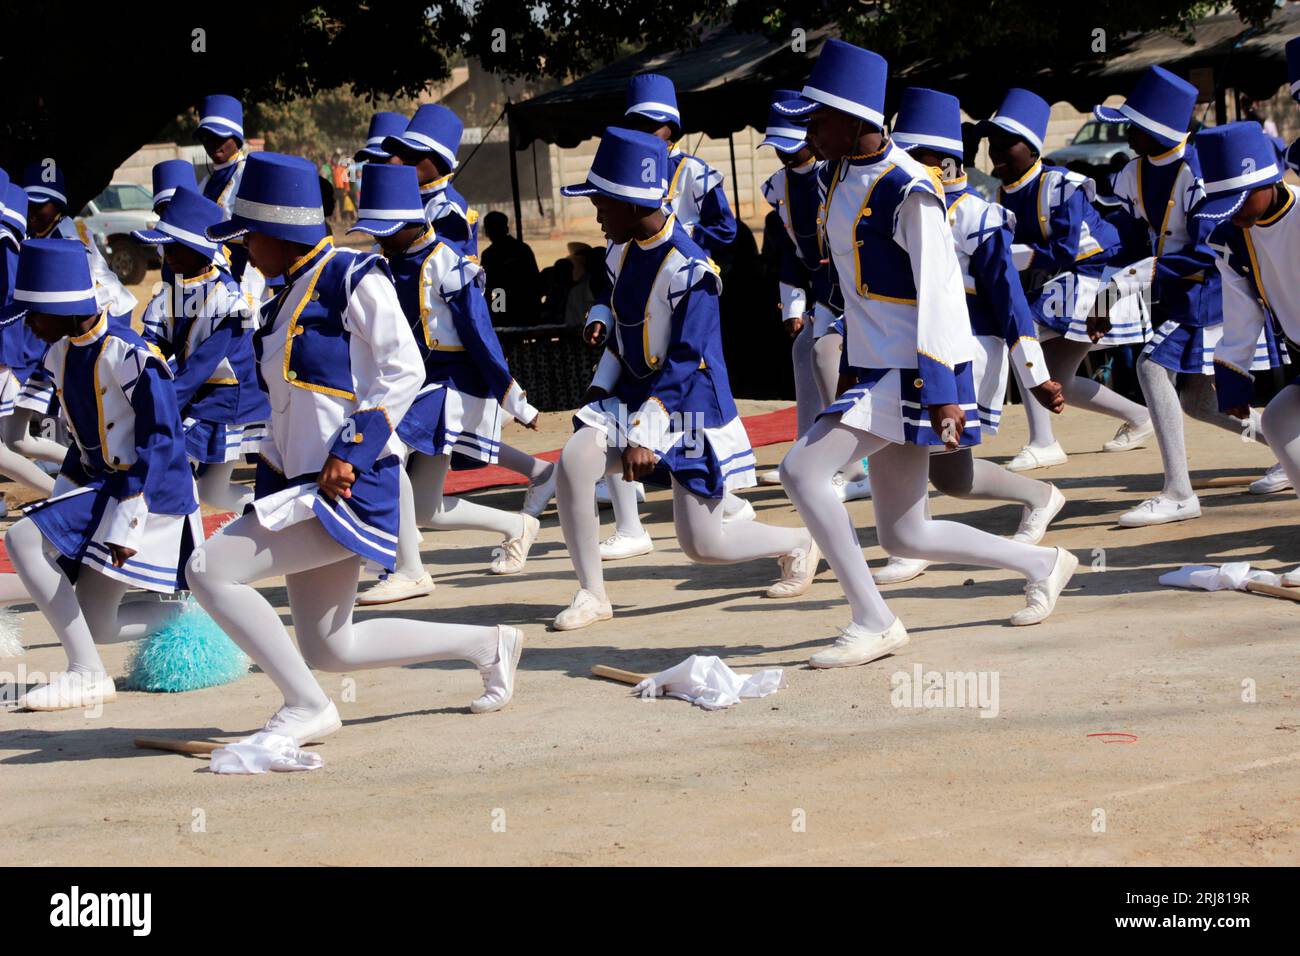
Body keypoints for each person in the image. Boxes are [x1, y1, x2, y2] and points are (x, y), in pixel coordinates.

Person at [184, 153, 524, 744]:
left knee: (208, 570)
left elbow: (403, 369)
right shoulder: (280, 294)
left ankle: (306, 706)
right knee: (332, 646)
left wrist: (353, 449)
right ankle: (488, 644)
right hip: (300, 483)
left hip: (345, 485)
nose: (241, 249)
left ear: (277, 233)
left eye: (247, 237)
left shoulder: (352, 275)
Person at [775, 41, 1077, 668]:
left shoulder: (910, 189)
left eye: (818, 117)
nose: (809, 130)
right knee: (905, 533)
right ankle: (1045, 561)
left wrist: (947, 392)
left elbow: (942, 294)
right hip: (873, 365)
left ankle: (874, 618)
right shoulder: (833, 175)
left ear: (857, 118)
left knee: (802, 470)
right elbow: (821, 259)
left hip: (909, 370)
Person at [550, 127, 820, 631]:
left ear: (632, 205)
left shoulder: (693, 269)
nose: (596, 214)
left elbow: (685, 359)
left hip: (687, 407)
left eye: (602, 203)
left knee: (703, 545)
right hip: (632, 395)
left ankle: (798, 542)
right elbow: (623, 317)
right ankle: (593, 592)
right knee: (574, 461)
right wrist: (599, 383)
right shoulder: (620, 250)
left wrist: (645, 435)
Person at [870, 86, 1068, 583]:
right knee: (952, 476)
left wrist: (1036, 374)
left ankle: (912, 539)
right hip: (908, 349)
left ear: (946, 159)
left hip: (964, 353)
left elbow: (1009, 300)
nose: (903, 162)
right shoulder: (902, 202)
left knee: (921, 449)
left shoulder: (980, 216)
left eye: (915, 154)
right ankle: (1039, 496)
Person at [2, 239, 200, 711]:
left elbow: (163, 442)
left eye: (35, 312)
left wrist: (127, 518)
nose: (28, 323)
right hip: (102, 488)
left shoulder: (132, 357)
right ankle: (197, 617)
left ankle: (87, 674)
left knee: (23, 539)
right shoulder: (60, 353)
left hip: (146, 493)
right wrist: (63, 495)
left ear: (67, 307)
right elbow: (81, 443)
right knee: (94, 624)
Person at [1092, 67, 1282, 527]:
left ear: (1155, 130)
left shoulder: (1195, 171)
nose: (1126, 132)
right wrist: (1111, 287)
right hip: (1173, 291)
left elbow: (1204, 253)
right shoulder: (1131, 172)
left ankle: (1179, 492)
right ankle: (1287, 446)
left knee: (1150, 365)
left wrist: (1134, 280)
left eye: (1133, 125)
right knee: (1197, 402)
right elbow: (1132, 242)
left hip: (1211, 290)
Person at [348, 165, 543, 605]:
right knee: (426, 508)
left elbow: (480, 334)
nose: (378, 239)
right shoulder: (383, 265)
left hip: (455, 385)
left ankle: (408, 568)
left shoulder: (450, 265)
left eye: (385, 230)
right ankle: (517, 527)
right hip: (418, 387)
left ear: (410, 222)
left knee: (382, 447)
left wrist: (515, 398)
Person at [385, 105, 556, 519]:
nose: (396, 163)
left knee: (391, 446)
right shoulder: (410, 203)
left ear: (437, 161)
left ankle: (404, 566)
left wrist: (511, 394)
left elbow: (464, 308)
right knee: (431, 484)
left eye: (409, 155)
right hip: (420, 358)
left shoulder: (448, 215)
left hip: (448, 361)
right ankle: (526, 505)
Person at [976, 89, 1154, 473]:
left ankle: (1044, 441)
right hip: (1066, 281)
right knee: (1058, 380)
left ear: (1031, 146)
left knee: (1021, 339)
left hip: (1098, 279)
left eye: (1007, 144)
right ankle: (1141, 417)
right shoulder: (1002, 193)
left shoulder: (1061, 184)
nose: (996, 154)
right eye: (993, 144)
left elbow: (1064, 250)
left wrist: (1016, 257)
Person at [1196, 122, 1300, 583]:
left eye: (1240, 200)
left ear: (1269, 180)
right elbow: (1242, 310)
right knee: (1278, 421)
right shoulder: (1234, 236)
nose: (1233, 214)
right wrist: (1234, 373)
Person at [757, 90, 870, 501]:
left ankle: (855, 466)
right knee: (805, 353)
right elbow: (790, 248)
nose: (785, 156)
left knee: (829, 363)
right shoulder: (778, 186)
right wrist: (793, 303)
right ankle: (809, 447)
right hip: (819, 288)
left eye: (792, 147)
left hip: (848, 285)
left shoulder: (834, 174)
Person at [132, 187, 270, 511]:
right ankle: (267, 516)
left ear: (200, 250)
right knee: (209, 490)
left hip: (228, 403)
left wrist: (157, 405)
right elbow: (150, 345)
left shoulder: (229, 302)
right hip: (199, 397)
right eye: (166, 248)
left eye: (176, 248)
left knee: (178, 467)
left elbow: (198, 369)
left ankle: (274, 517)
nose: (168, 257)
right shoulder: (173, 291)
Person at [0, 175, 63, 498]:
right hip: (23, 351)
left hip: (16, 353)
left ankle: (67, 495)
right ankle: (77, 486)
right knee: (16, 441)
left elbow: (14, 302)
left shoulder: (6, 243)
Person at [479, 210, 541, 326]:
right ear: (506, 228)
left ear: (486, 231)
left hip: (504, 309)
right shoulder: (522, 249)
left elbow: (486, 289)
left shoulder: (489, 255)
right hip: (526, 308)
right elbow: (535, 281)